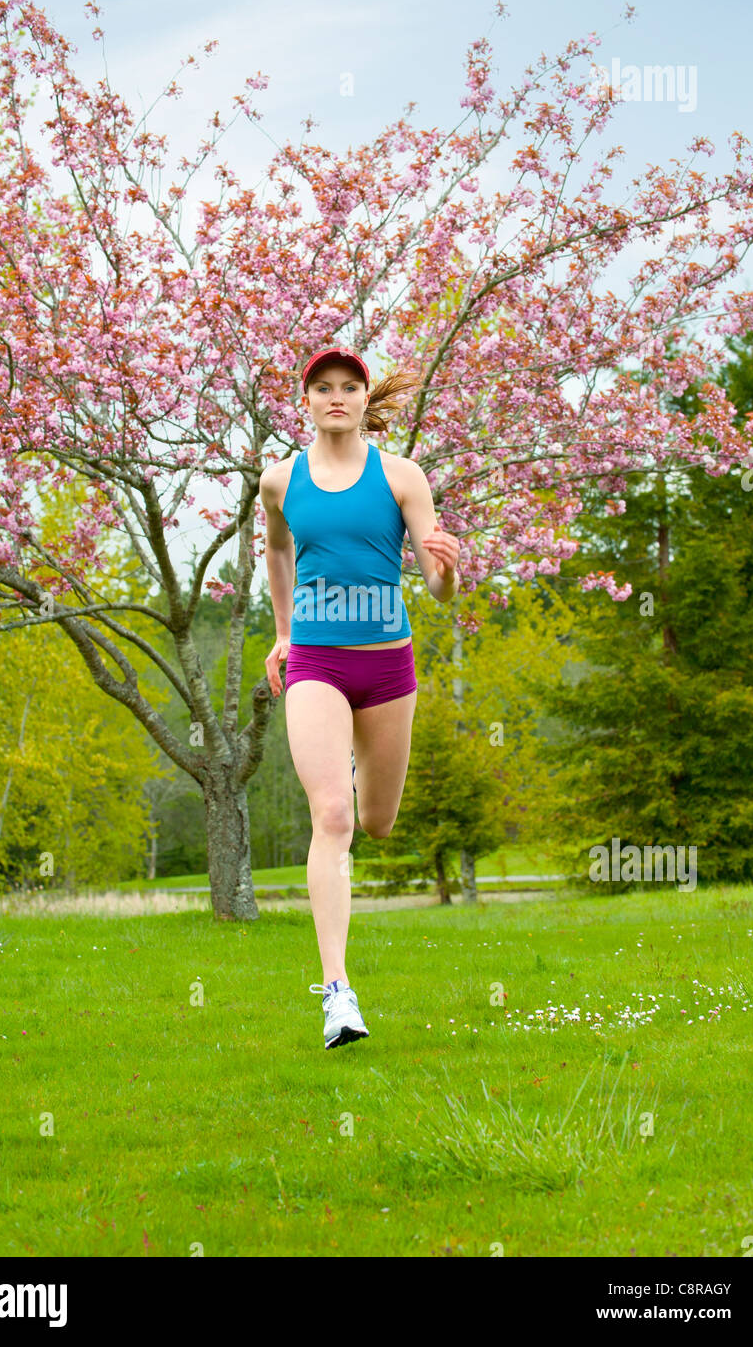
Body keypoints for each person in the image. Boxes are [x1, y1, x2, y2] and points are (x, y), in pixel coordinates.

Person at [259, 346, 461, 1049]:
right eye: (323, 387)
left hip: (387, 669)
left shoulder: (402, 476)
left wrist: (446, 575)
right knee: (334, 816)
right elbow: (278, 552)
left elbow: (435, 587)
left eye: (349, 386)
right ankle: (337, 994)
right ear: (305, 399)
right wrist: (283, 632)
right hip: (316, 663)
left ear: (363, 397)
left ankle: (348, 780)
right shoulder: (279, 481)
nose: (336, 396)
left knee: (376, 821)